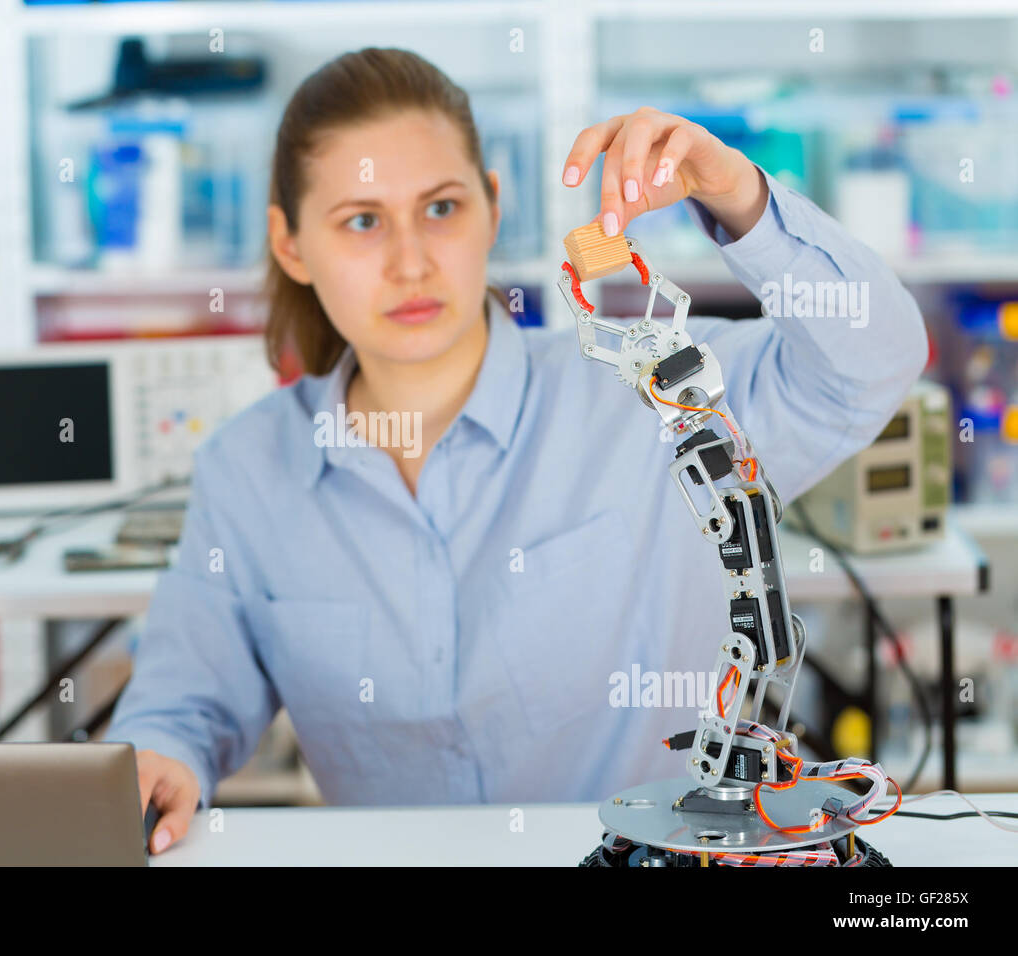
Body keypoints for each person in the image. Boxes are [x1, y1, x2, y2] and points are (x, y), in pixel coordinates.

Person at [107, 48, 928, 855]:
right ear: (290, 245)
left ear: (492, 209)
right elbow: (185, 702)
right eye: (362, 220)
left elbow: (873, 364)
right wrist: (159, 762)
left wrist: (743, 199)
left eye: (441, 208)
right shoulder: (247, 470)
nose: (411, 261)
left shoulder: (650, 390)